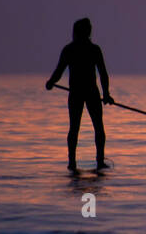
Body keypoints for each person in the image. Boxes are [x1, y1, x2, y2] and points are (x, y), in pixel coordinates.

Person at [46, 18, 114, 170]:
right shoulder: (88, 49)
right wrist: (106, 94)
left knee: (82, 127)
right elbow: (102, 74)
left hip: (83, 92)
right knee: (91, 127)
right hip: (85, 92)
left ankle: (76, 162)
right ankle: (90, 162)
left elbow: (103, 74)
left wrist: (106, 93)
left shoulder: (74, 49)